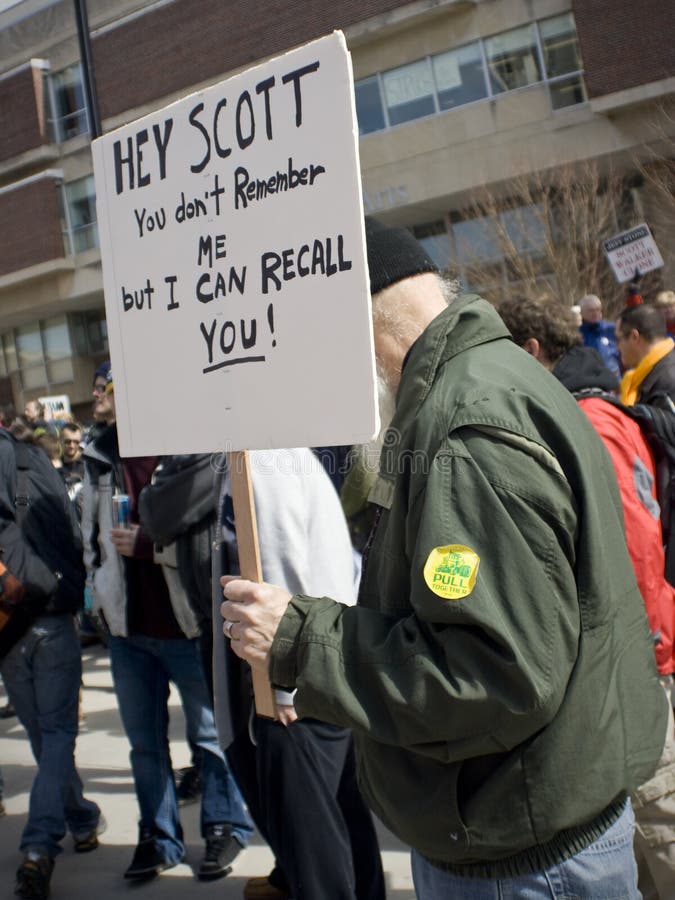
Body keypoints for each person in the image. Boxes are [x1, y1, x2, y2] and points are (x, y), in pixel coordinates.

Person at [220, 218, 668, 899]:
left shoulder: (461, 425)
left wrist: (300, 639)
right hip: (524, 824)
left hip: (522, 855)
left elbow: (490, 674)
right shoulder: (480, 379)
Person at [499, 294, 675, 900]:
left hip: (633, 667)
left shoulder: (586, 423)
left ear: (531, 353)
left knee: (659, 830)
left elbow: (630, 556)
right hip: (633, 660)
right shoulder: (593, 410)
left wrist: (628, 654)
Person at [81, 363, 253, 882]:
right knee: (144, 745)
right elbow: (90, 533)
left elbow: (209, 536)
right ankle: (158, 837)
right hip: (128, 630)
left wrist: (152, 548)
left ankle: (224, 826)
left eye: (109, 385)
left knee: (208, 735)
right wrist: (98, 599)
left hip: (186, 622)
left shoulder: (182, 444)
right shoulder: (98, 454)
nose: (102, 395)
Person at [212, 448, 385, 900]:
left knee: (315, 849)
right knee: (343, 820)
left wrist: (283, 682)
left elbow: (277, 571)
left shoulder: (263, 457)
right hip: (319, 666)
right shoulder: (286, 452)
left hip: (297, 682)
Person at [0, 422, 102, 900]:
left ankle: (80, 816)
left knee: (44, 734)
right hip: (49, 612)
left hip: (5, 622)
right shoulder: (30, 459)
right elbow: (66, 524)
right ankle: (39, 847)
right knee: (58, 732)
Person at [617, 303, 675, 407]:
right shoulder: (643, 376)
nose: (618, 347)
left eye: (619, 339)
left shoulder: (667, 381)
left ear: (634, 337)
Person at [578, 292, 622, 378]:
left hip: (615, 377)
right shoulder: (578, 334)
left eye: (597, 309)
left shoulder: (611, 329)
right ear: (582, 313)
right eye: (591, 310)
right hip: (591, 378)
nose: (595, 313)